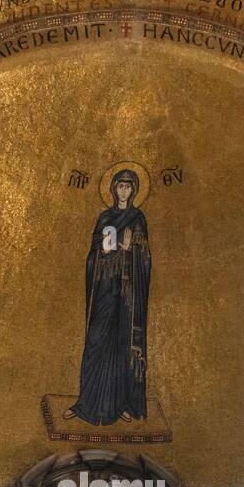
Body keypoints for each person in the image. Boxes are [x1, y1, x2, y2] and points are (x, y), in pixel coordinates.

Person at [65, 169, 151, 425]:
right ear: (113, 190)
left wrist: (130, 250)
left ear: (133, 191)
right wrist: (110, 250)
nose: (123, 191)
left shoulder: (137, 219)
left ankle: (123, 405)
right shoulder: (105, 217)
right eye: (120, 186)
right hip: (105, 290)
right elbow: (95, 254)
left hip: (127, 297)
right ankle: (87, 402)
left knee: (124, 347)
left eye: (128, 187)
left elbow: (145, 258)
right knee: (95, 341)